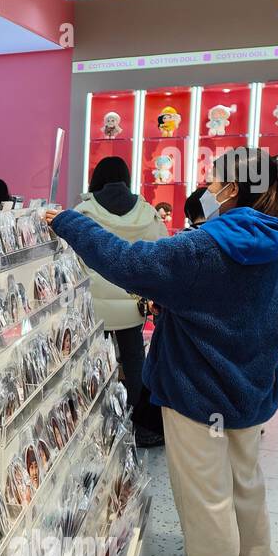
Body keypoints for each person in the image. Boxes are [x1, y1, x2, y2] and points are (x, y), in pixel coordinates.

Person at [45, 147, 278, 556]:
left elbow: (127, 263)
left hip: (199, 391)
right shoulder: (275, 241)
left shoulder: (206, 246)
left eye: (213, 179)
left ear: (232, 189)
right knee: (247, 484)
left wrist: (69, 223)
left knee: (205, 494)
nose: (206, 186)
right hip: (251, 390)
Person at [74, 157, 169, 447]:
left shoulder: (85, 211)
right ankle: (142, 425)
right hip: (132, 304)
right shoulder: (146, 212)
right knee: (133, 358)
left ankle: (92, 426)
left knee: (92, 363)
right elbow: (161, 250)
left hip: (94, 305)